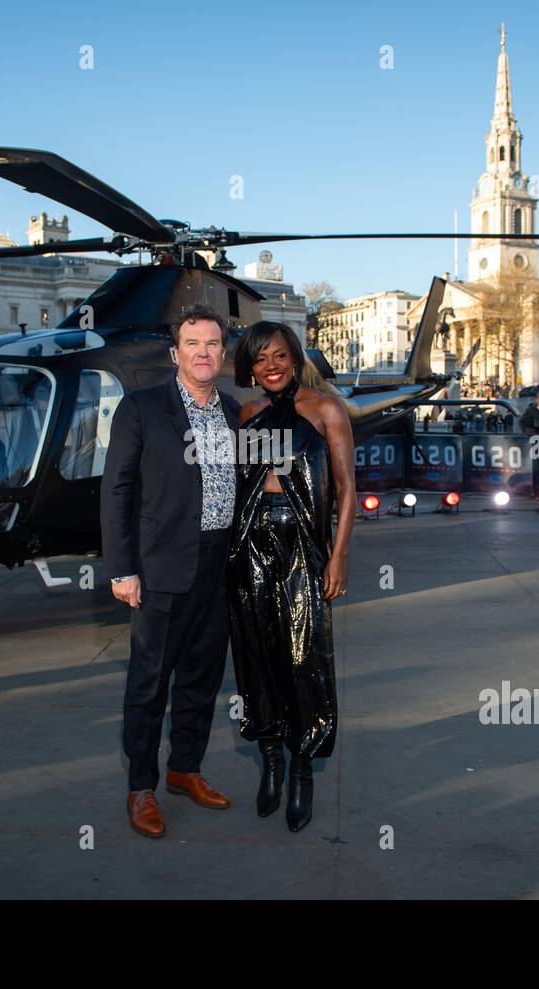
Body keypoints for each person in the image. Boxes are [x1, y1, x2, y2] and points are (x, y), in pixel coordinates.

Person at [100, 303, 240, 840]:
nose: (203, 352)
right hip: (160, 568)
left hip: (217, 565)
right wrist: (122, 569)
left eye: (212, 344)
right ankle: (141, 787)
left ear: (222, 354)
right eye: (193, 343)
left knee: (202, 679)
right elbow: (116, 492)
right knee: (148, 684)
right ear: (175, 353)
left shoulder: (230, 409)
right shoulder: (140, 409)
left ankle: (185, 769)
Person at [229, 321, 353, 833]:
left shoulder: (326, 410)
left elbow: (347, 489)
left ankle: (302, 768)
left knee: (304, 658)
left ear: (295, 357)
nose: (272, 365)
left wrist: (338, 555)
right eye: (260, 359)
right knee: (257, 655)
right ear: (251, 368)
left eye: (280, 355)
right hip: (250, 545)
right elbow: (235, 489)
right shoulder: (248, 414)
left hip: (303, 545)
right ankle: (271, 765)